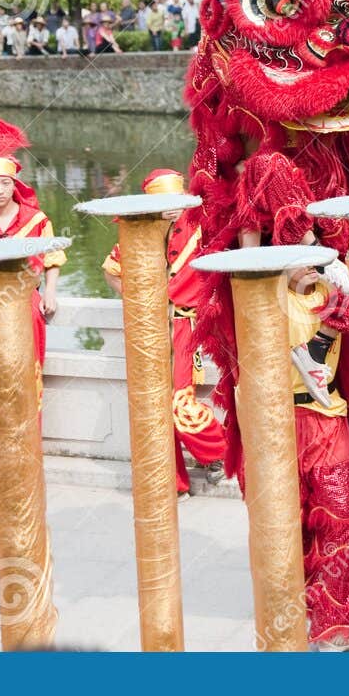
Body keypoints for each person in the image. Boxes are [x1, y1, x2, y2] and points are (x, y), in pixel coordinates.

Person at [100, 170, 225, 493]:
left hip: (184, 325)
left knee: (178, 402)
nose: (172, 210)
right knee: (151, 405)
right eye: (164, 204)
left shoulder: (200, 229)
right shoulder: (138, 232)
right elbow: (111, 271)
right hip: (148, 327)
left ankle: (218, 452)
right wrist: (137, 297)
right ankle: (173, 482)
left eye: (175, 202)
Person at [0, 157, 64, 378]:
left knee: (26, 350)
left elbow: (52, 257)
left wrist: (50, 292)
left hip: (23, 293)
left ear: (15, 185)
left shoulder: (35, 220)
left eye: (5, 183)